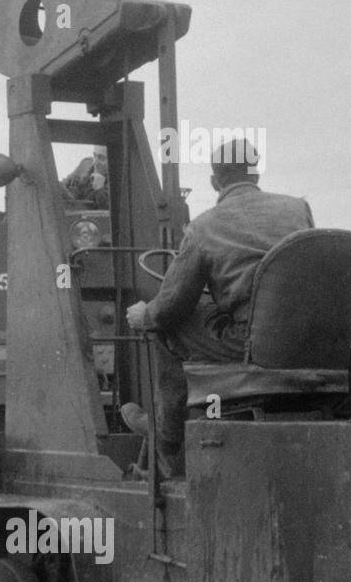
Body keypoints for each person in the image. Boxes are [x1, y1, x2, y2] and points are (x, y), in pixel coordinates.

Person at [123, 139, 313, 477]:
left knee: (166, 326)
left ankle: (166, 445)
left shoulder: (203, 227)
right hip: (307, 340)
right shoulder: (298, 209)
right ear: (255, 174)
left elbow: (169, 307)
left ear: (214, 182)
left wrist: (143, 315)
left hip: (251, 344)